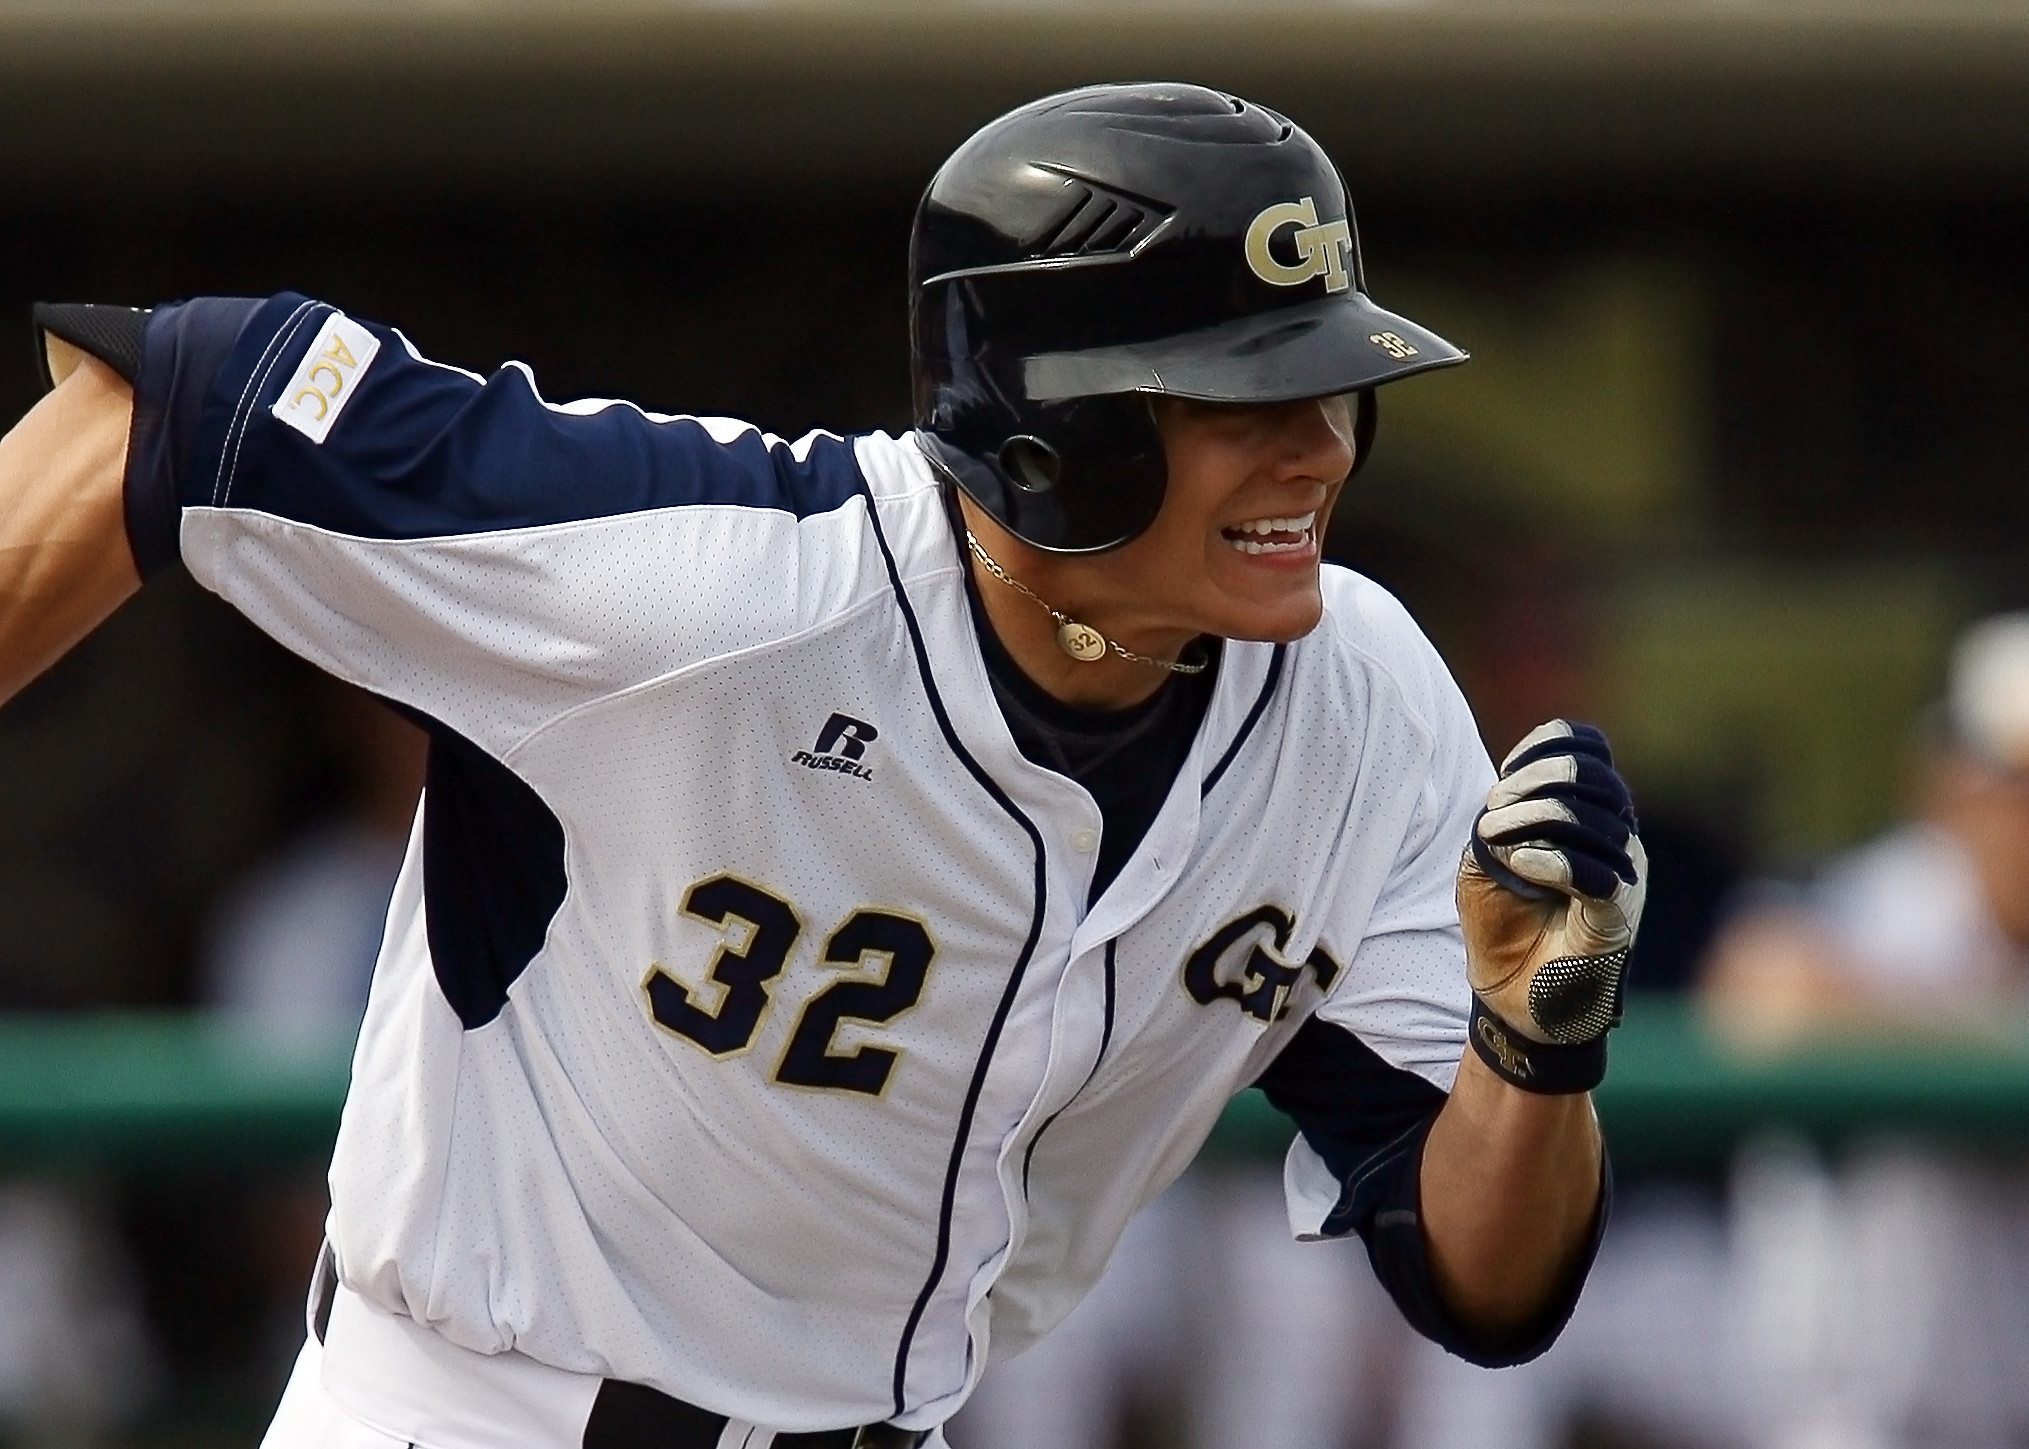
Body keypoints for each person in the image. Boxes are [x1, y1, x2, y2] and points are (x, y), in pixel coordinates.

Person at [1, 84, 1643, 1449]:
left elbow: (1479, 1280)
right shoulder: (722, 579)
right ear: (1049, 428)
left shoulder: (1359, 701)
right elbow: (179, 408)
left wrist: (1535, 1042)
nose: (1319, 447)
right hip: (485, 1411)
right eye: (1246, 396)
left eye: (1337, 391)